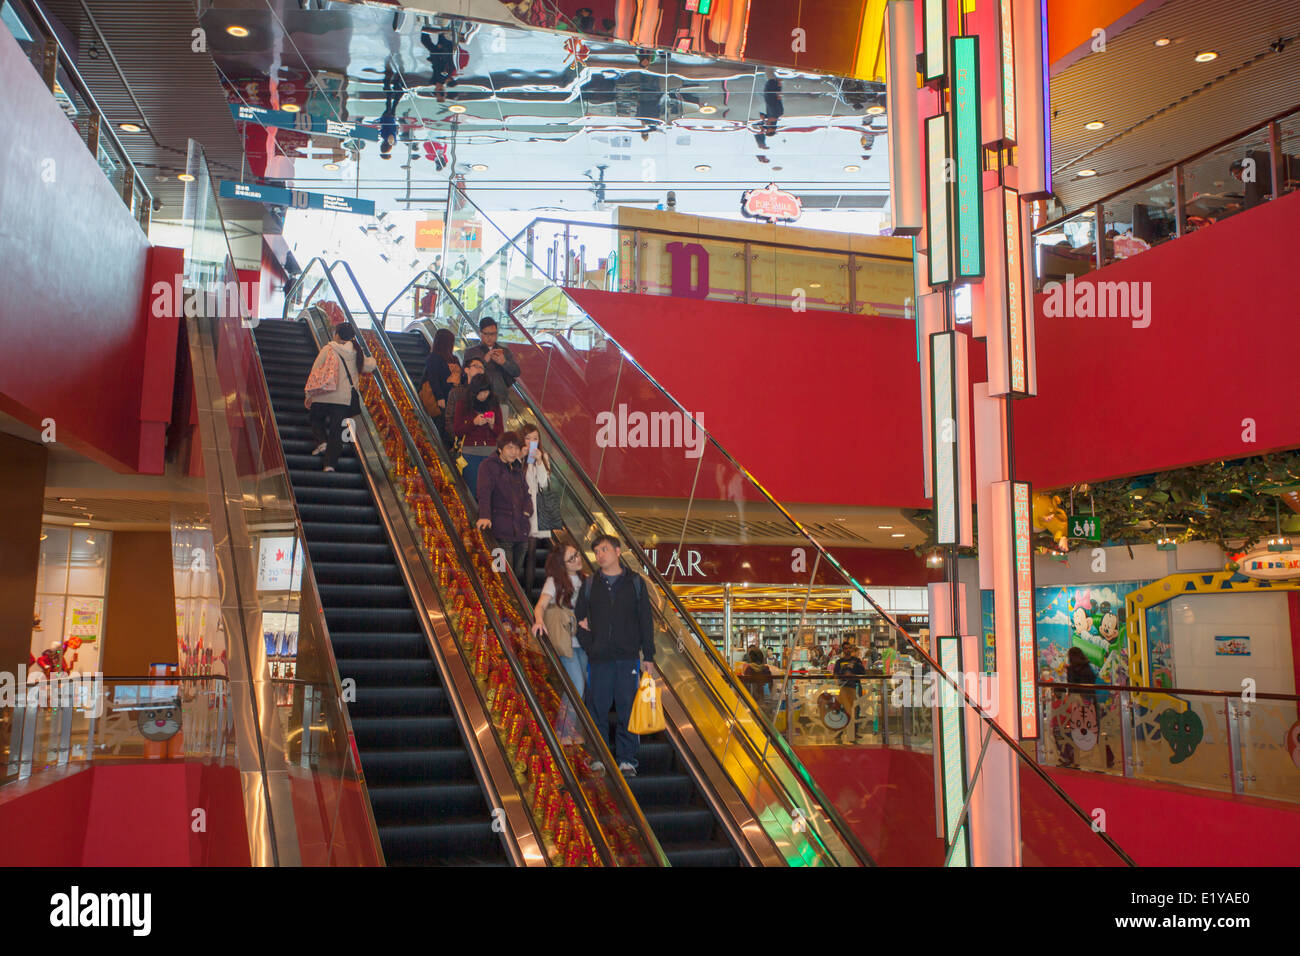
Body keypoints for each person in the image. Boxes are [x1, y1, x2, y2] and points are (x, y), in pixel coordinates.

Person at [575, 533, 655, 776]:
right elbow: (579, 618)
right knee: (597, 709)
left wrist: (648, 655)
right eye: (597, 551)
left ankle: (627, 760)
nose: (600, 555)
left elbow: (645, 621)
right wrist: (590, 645)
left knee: (627, 709)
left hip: (627, 658)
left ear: (618, 552)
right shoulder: (590, 584)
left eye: (604, 549)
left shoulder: (635, 583)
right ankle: (598, 758)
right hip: (599, 659)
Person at [304, 322, 375, 473]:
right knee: (337, 433)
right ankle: (330, 465)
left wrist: (308, 394)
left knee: (315, 419)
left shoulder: (328, 349)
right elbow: (368, 366)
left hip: (323, 396)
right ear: (351, 337)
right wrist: (373, 360)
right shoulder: (356, 352)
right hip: (343, 400)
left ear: (336, 334)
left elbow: (315, 372)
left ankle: (322, 441)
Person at [533, 543, 588, 696]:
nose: (577, 559)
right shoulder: (554, 581)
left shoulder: (585, 579)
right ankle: (567, 714)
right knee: (577, 687)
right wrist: (539, 621)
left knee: (579, 688)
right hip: (564, 640)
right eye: (571, 559)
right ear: (562, 564)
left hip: (583, 640)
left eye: (576, 554)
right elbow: (540, 605)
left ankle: (568, 713)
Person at [475, 432, 532, 581]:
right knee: (503, 577)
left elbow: (526, 494)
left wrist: (527, 511)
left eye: (516, 448)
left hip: (521, 531)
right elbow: (484, 493)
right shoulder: (488, 466)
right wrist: (484, 516)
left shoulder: (517, 467)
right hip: (500, 531)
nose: (514, 452)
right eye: (509, 448)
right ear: (500, 449)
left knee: (516, 576)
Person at [520, 423, 554, 594]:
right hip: (521, 509)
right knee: (524, 552)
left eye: (535, 438)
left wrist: (540, 462)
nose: (531, 442)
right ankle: (521, 591)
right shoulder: (517, 455)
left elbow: (544, 483)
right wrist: (521, 457)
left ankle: (531, 593)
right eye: (527, 438)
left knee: (534, 552)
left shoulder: (544, 456)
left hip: (538, 510)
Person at [454, 372, 502, 489]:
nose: (483, 395)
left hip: (490, 452)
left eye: (486, 392)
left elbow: (501, 433)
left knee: (489, 490)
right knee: (472, 488)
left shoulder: (494, 404)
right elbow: (457, 430)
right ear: (474, 391)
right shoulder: (463, 404)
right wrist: (474, 423)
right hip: (470, 453)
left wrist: (492, 424)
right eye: (480, 392)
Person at [461, 317, 521, 409]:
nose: (489, 337)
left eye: (493, 334)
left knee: (499, 417)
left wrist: (504, 362)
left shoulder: (504, 351)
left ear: (496, 334)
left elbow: (516, 372)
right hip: (477, 398)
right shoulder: (471, 352)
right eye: (486, 334)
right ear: (480, 333)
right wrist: (484, 361)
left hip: (500, 397)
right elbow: (464, 375)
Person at [444, 355, 484, 442]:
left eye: (481, 367)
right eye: (476, 366)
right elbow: (449, 419)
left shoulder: (488, 393)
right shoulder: (456, 392)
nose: (479, 369)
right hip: (461, 439)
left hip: (480, 441)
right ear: (466, 370)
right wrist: (458, 437)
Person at [832, 642, 867, 743]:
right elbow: (835, 674)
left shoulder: (856, 661)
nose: (847, 650)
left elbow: (862, 672)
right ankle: (840, 733)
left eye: (849, 648)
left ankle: (854, 733)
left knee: (856, 711)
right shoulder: (839, 662)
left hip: (855, 687)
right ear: (843, 650)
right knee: (844, 711)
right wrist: (843, 675)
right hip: (845, 688)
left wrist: (853, 672)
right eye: (845, 648)